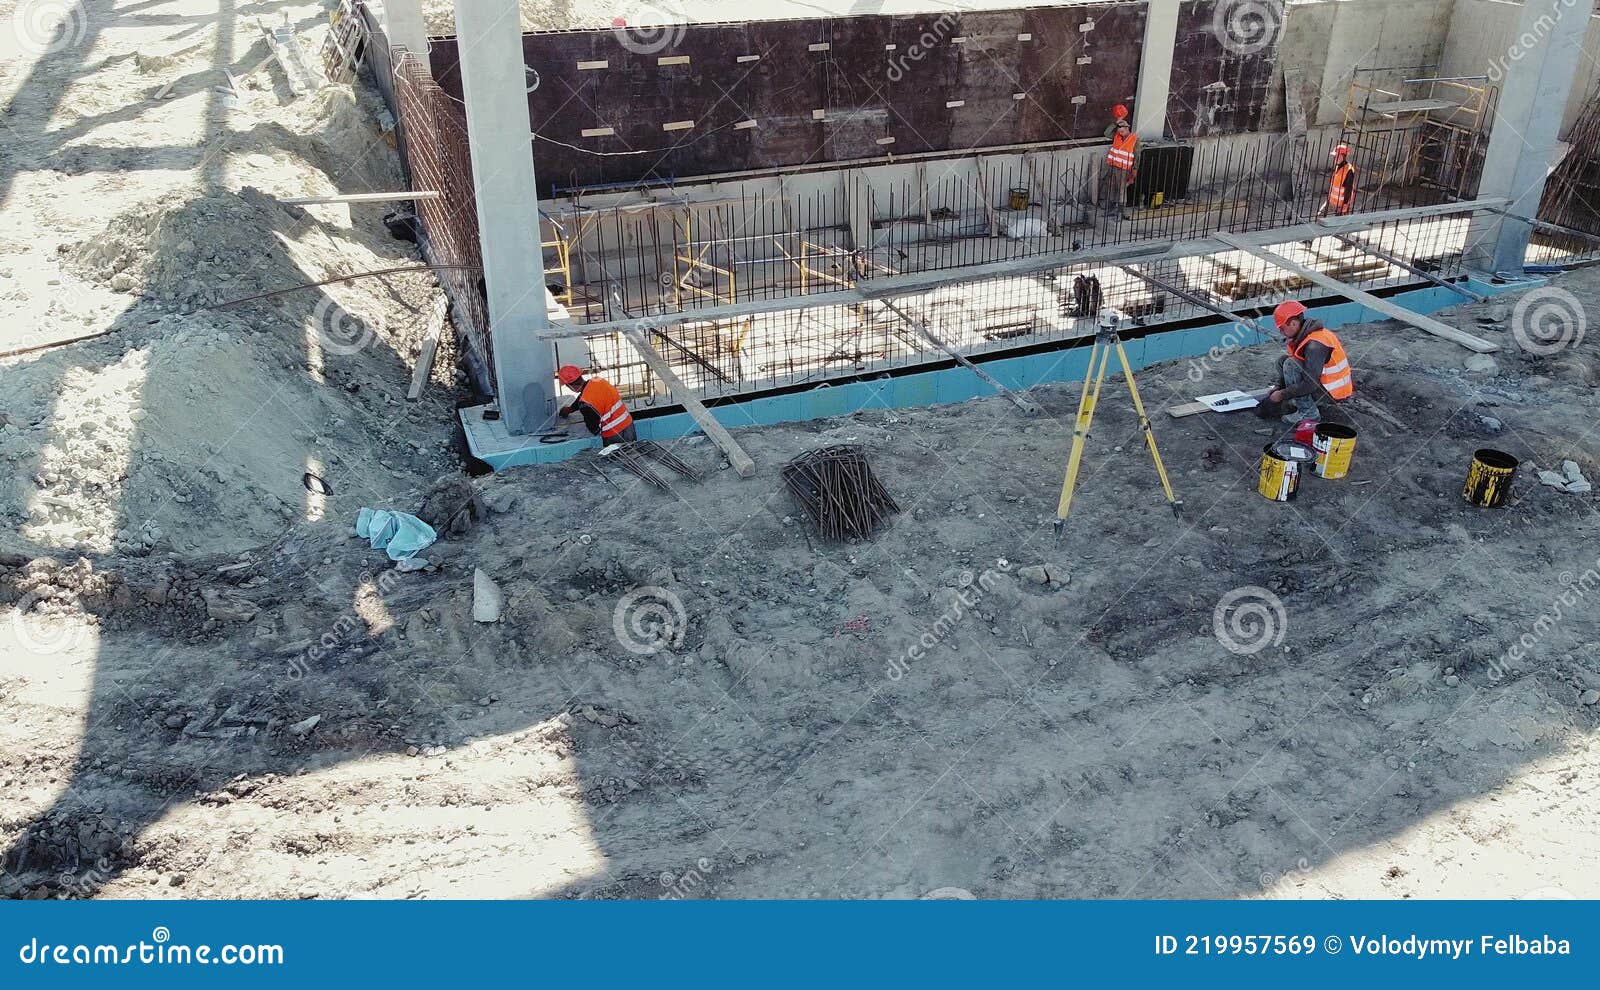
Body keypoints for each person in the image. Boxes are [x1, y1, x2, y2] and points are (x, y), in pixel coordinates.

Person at [1255, 301, 1353, 425]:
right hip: (1323, 386)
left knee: (1290, 365)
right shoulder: (1306, 335)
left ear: (1293, 323)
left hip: (1332, 394)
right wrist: (1279, 387)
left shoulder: (1315, 345)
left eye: (1282, 328)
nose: (1281, 332)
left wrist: (1281, 395)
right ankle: (1302, 401)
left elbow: (1310, 384)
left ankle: (1309, 413)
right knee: (1282, 361)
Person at [557, 365, 636, 445]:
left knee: (615, 456)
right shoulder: (598, 380)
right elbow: (585, 394)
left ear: (569, 385)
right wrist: (570, 409)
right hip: (628, 424)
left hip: (613, 435)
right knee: (632, 452)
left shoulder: (584, 404)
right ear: (580, 376)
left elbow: (594, 429)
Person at [1101, 112, 1138, 219]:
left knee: (1122, 189)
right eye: (1118, 130)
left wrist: (1133, 172)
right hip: (1113, 166)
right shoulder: (1117, 136)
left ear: (1127, 128)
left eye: (1122, 130)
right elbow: (1107, 133)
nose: (1120, 132)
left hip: (1124, 169)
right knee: (1111, 187)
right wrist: (1115, 123)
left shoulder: (1134, 139)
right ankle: (1112, 208)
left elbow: (1137, 156)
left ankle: (1120, 211)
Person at [1317, 143, 1357, 219]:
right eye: (1335, 156)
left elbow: (1349, 189)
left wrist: (1345, 205)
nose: (1335, 158)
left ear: (1343, 156)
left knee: (1339, 223)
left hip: (1340, 204)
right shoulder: (1338, 167)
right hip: (1331, 201)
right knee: (1319, 217)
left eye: (1337, 156)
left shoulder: (1349, 170)